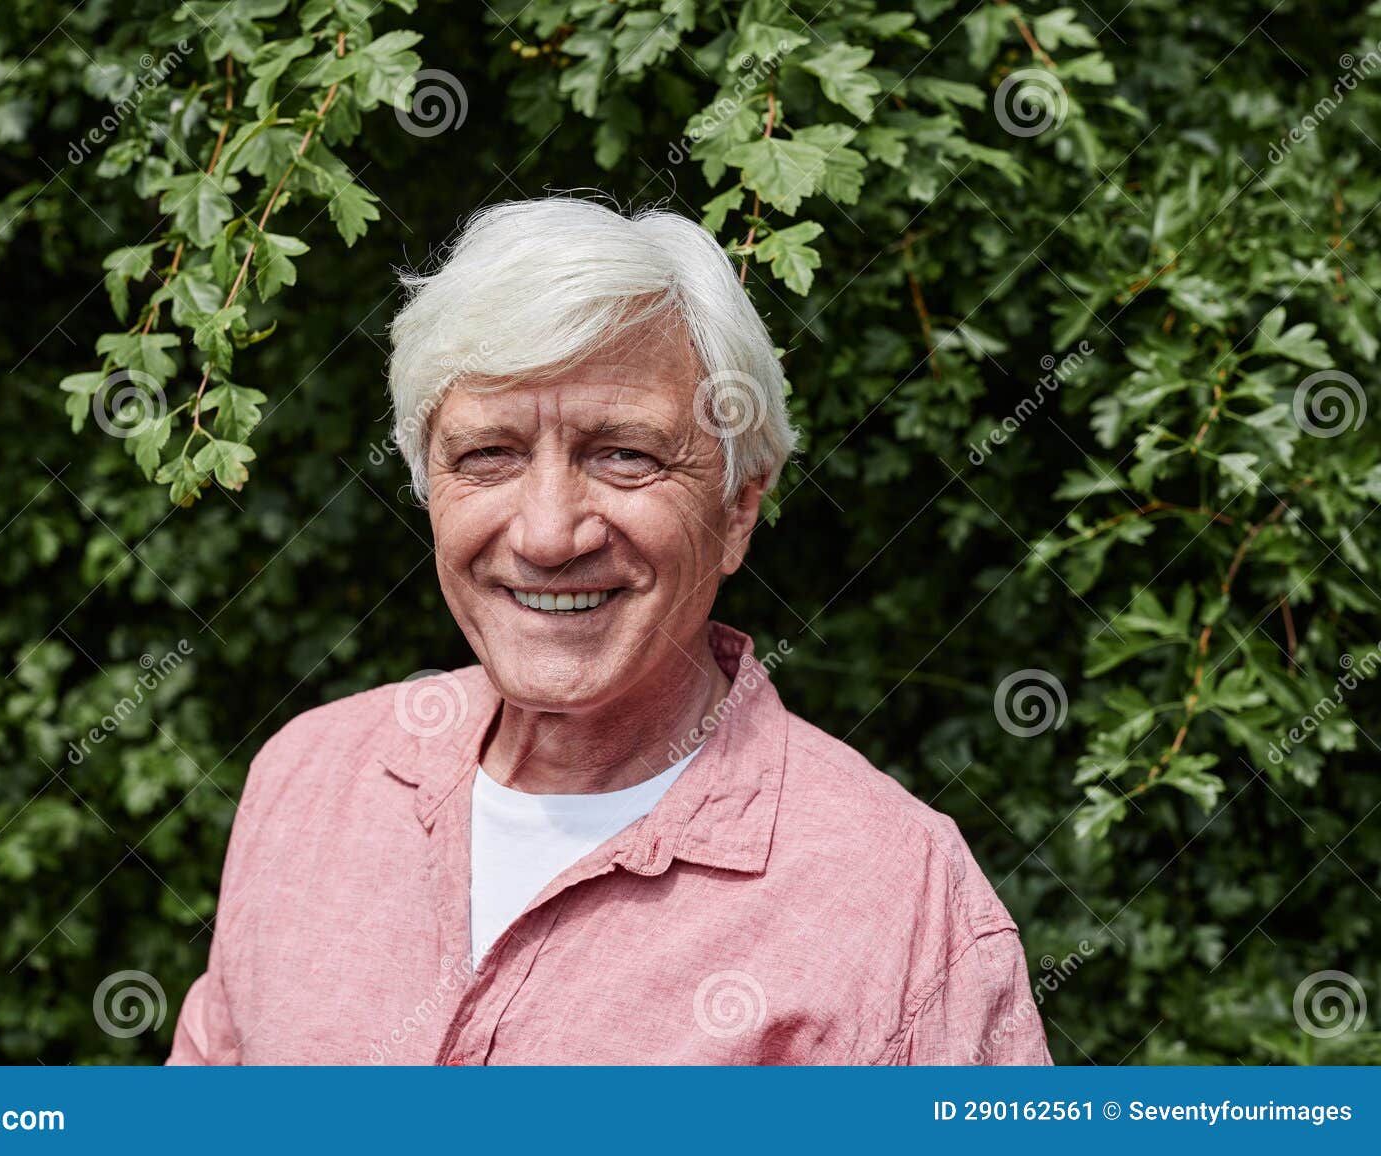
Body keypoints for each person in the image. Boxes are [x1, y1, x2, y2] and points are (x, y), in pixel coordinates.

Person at [169, 198, 1050, 1065]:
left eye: (624, 454)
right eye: (488, 455)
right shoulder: (309, 782)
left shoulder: (901, 900)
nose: (549, 535)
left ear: (740, 507)